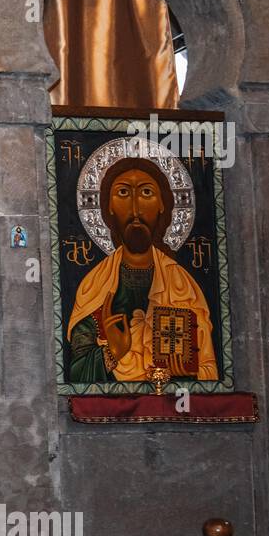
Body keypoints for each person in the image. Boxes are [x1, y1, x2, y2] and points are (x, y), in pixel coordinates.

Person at [66, 156, 217, 382]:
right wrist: (112, 353)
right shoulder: (94, 287)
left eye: (146, 193)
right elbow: (76, 375)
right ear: (108, 207)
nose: (135, 209)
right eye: (123, 194)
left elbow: (208, 372)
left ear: (162, 205)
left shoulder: (183, 287)